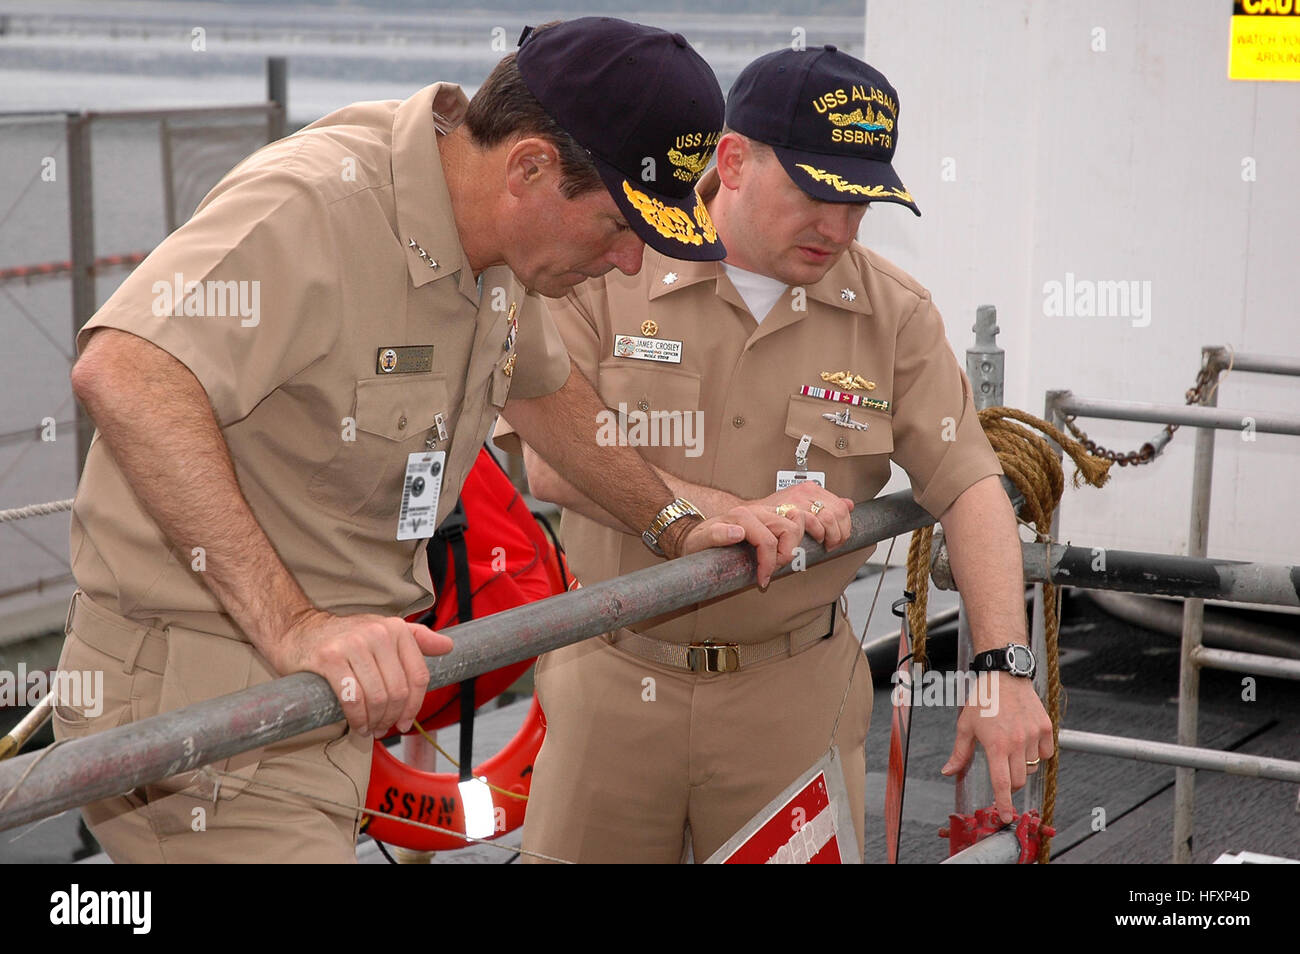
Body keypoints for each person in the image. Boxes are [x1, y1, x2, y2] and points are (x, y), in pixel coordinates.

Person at [54, 18, 805, 864]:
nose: (630, 264)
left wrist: (675, 519)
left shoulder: (492, 239)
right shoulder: (317, 205)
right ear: (530, 166)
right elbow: (123, 371)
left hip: (330, 701)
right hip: (207, 712)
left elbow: (551, 396)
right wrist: (296, 626)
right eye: (617, 227)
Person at [497, 45, 1055, 863]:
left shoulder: (893, 314)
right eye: (818, 193)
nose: (840, 227)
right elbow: (552, 462)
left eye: (861, 204)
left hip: (791, 698)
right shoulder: (607, 260)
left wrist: (1004, 666)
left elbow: (970, 481)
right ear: (732, 160)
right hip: (611, 681)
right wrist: (729, 513)